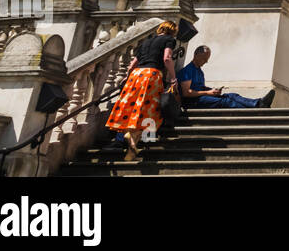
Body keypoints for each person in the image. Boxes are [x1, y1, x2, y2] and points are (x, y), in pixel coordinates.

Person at [106, 20, 178, 160]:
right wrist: (173, 78)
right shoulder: (169, 40)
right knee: (148, 111)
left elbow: (132, 64)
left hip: (136, 75)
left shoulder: (146, 41)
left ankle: (131, 148)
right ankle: (137, 139)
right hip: (151, 75)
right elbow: (167, 58)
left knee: (132, 108)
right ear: (172, 31)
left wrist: (127, 77)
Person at [177, 46, 275, 109]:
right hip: (192, 102)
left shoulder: (199, 72)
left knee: (232, 95)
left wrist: (212, 90)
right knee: (225, 101)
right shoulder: (187, 70)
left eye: (207, 59)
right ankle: (252, 110)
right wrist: (208, 92)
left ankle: (258, 103)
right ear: (196, 55)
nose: (206, 62)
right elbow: (186, 93)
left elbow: (201, 88)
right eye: (204, 59)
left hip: (201, 97)